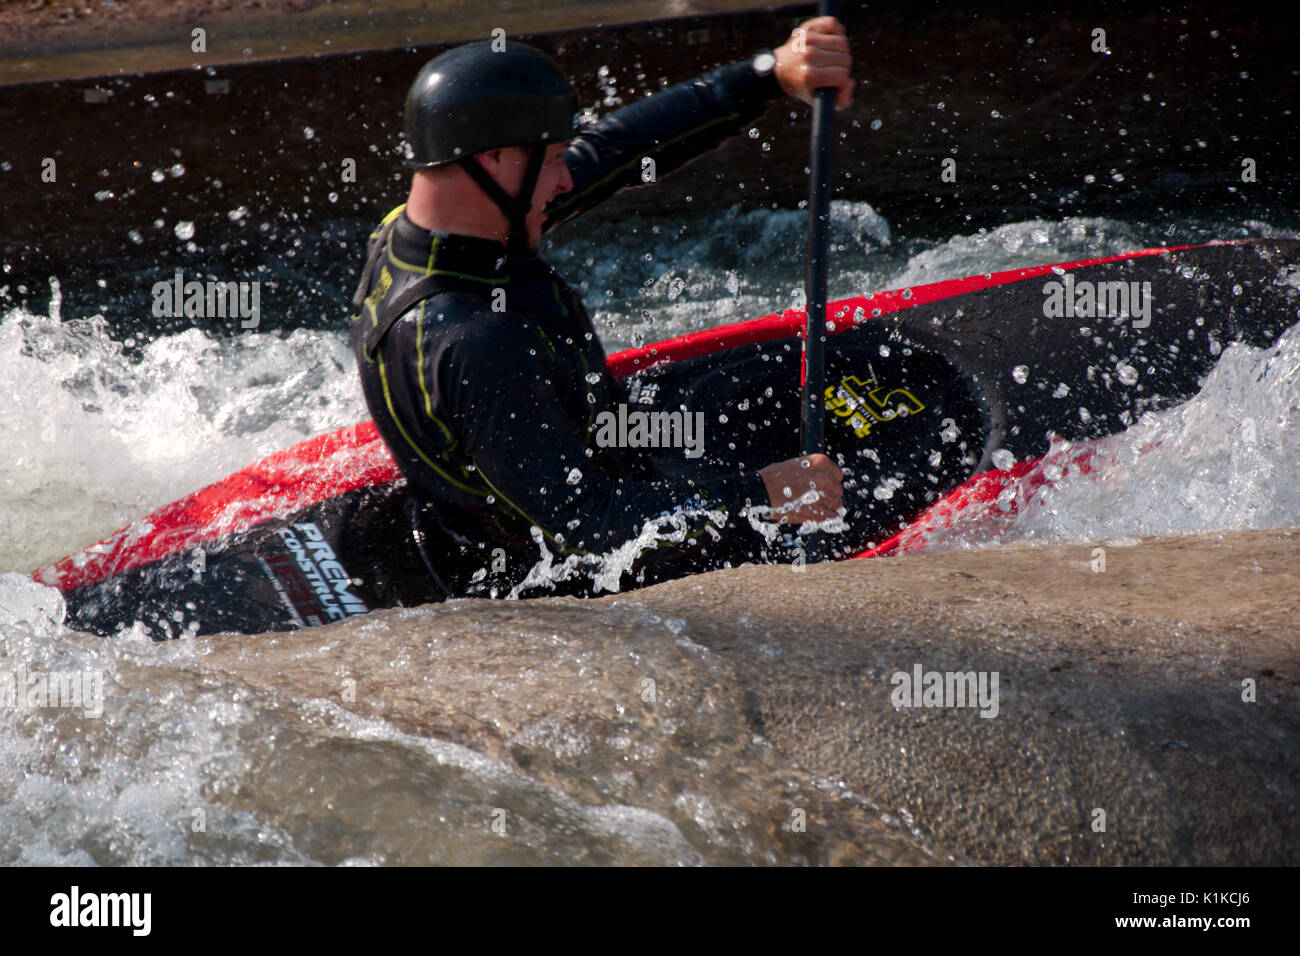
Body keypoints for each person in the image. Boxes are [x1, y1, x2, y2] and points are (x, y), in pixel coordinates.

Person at [350, 16, 854, 598]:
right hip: (559, 572)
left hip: (594, 444)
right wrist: (767, 495)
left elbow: (614, 152)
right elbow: (596, 528)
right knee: (859, 489)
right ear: (493, 160)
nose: (567, 180)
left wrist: (767, 75)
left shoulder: (433, 228)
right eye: (554, 158)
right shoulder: (476, 341)